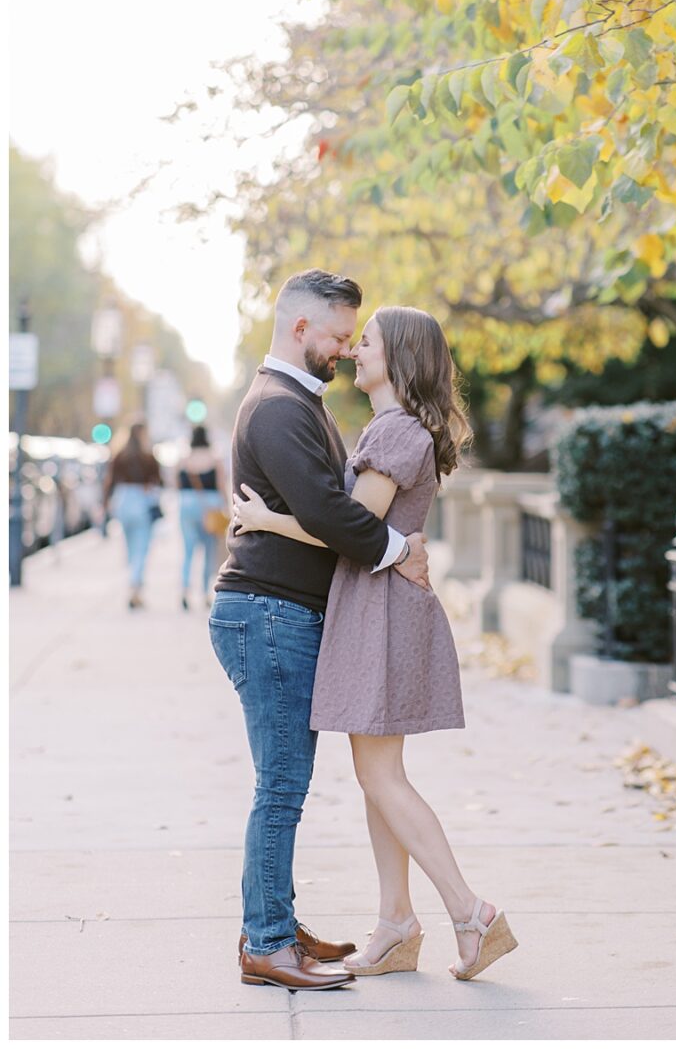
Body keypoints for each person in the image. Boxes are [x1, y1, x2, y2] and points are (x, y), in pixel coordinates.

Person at [231, 303, 518, 983]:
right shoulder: (394, 426)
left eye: (369, 342)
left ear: (401, 359)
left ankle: (470, 913)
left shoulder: (397, 432)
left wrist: (267, 518)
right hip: (377, 601)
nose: (356, 350)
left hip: (382, 608)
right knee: (377, 778)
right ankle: (395, 926)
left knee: (380, 775)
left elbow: (349, 527)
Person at [209, 269, 432, 991]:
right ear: (300, 329)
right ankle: (268, 943)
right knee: (281, 786)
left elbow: (320, 508)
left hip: (276, 613)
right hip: (268, 613)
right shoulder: (277, 408)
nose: (343, 349)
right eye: (338, 336)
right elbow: (339, 519)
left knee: (283, 783)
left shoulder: (296, 402)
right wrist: (400, 551)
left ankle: (272, 921)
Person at [102, 419, 162, 610]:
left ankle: (134, 584)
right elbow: (159, 480)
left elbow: (110, 481)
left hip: (123, 501)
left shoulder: (120, 455)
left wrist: (105, 504)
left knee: (129, 547)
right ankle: (135, 586)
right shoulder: (148, 456)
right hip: (141, 501)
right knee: (141, 548)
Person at [176, 424, 228, 610]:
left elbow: (176, 485)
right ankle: (206, 593)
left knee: (188, 551)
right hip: (210, 507)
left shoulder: (183, 459)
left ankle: (184, 590)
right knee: (209, 551)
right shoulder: (215, 459)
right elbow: (222, 485)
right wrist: (226, 508)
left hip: (187, 504)